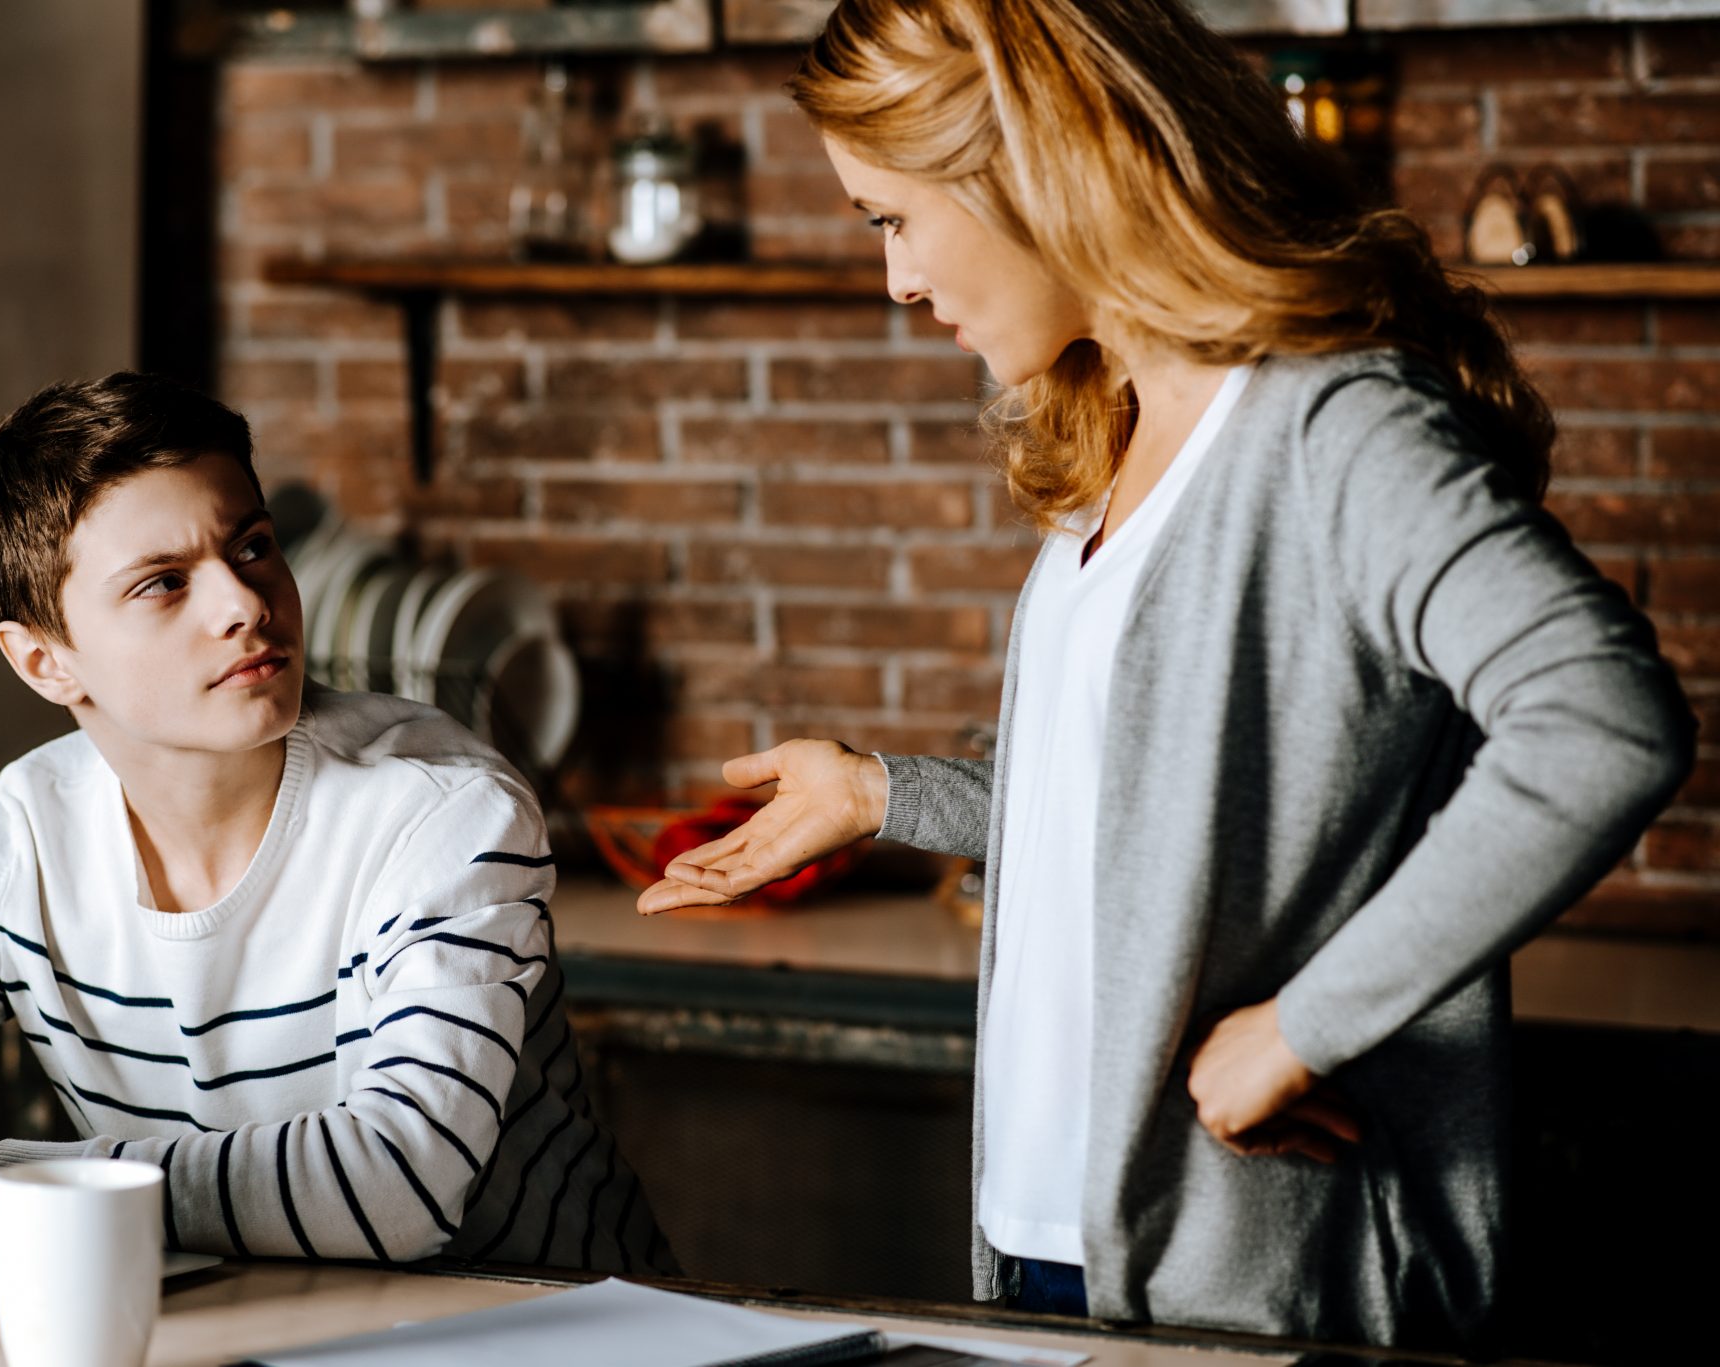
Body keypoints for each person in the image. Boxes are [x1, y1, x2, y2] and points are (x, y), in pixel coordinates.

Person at [638, 0, 1693, 1351]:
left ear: (1024, 169)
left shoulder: (1331, 426)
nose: (894, 280)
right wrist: (884, 795)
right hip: (1046, 1251)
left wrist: (1300, 1027)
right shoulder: (1113, 434)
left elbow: (1602, 724)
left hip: (1259, 1283)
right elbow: (1148, 808)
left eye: (890, 218)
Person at [0, 372, 667, 1275]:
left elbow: (397, 1184)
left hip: (544, 1333)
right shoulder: (26, 831)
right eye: (163, 583)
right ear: (45, 660)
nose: (244, 604)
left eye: (253, 546)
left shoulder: (441, 811)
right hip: (257, 1324)